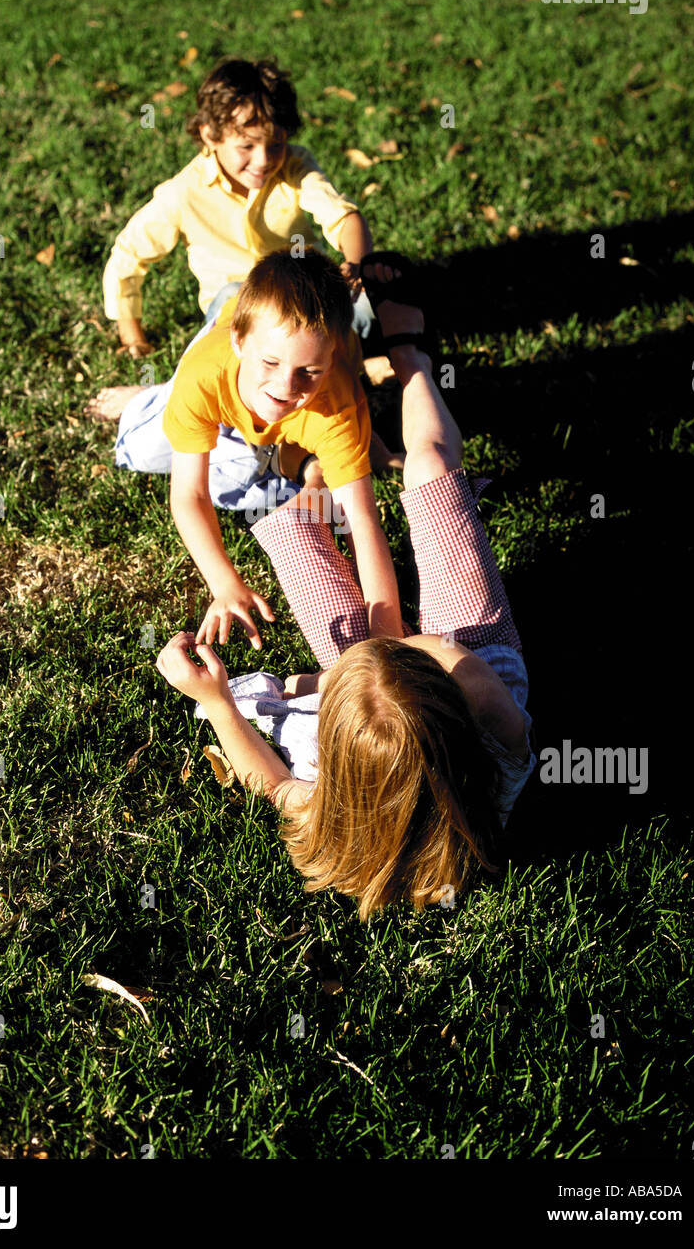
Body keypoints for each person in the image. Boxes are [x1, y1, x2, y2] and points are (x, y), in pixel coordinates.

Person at [156, 266, 536, 920]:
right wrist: (377, 653)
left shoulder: (332, 805)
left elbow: (274, 785)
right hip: (474, 652)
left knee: (294, 535)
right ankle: (410, 352)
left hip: (376, 688)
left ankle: (307, 482)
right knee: (430, 470)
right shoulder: (492, 741)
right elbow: (451, 664)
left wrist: (218, 701)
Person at [113, 247, 404, 651]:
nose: (288, 386)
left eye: (309, 371)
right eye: (271, 363)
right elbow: (188, 495)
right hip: (212, 376)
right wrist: (224, 584)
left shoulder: (337, 405)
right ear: (239, 341)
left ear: (331, 357)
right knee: (136, 449)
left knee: (245, 476)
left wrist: (386, 636)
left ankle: (297, 456)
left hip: (292, 408)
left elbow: (361, 521)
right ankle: (159, 394)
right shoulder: (206, 374)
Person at [99, 56, 376, 360]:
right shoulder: (183, 193)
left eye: (276, 145)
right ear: (209, 135)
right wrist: (132, 336)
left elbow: (343, 216)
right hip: (239, 313)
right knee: (235, 295)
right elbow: (129, 254)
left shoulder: (295, 167)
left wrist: (356, 264)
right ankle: (345, 362)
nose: (263, 160)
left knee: (370, 301)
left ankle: (338, 362)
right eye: (247, 146)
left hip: (303, 299)